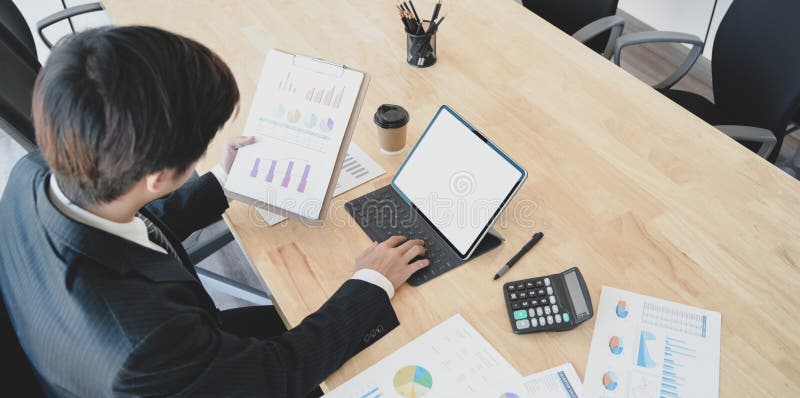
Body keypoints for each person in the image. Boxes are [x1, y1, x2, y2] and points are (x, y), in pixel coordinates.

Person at [0, 26, 429, 397]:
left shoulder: (32, 176)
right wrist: (372, 281)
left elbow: (129, 222)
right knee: (399, 331)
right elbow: (276, 377)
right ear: (158, 177)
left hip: (144, 349)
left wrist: (224, 181)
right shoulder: (147, 347)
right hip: (205, 374)